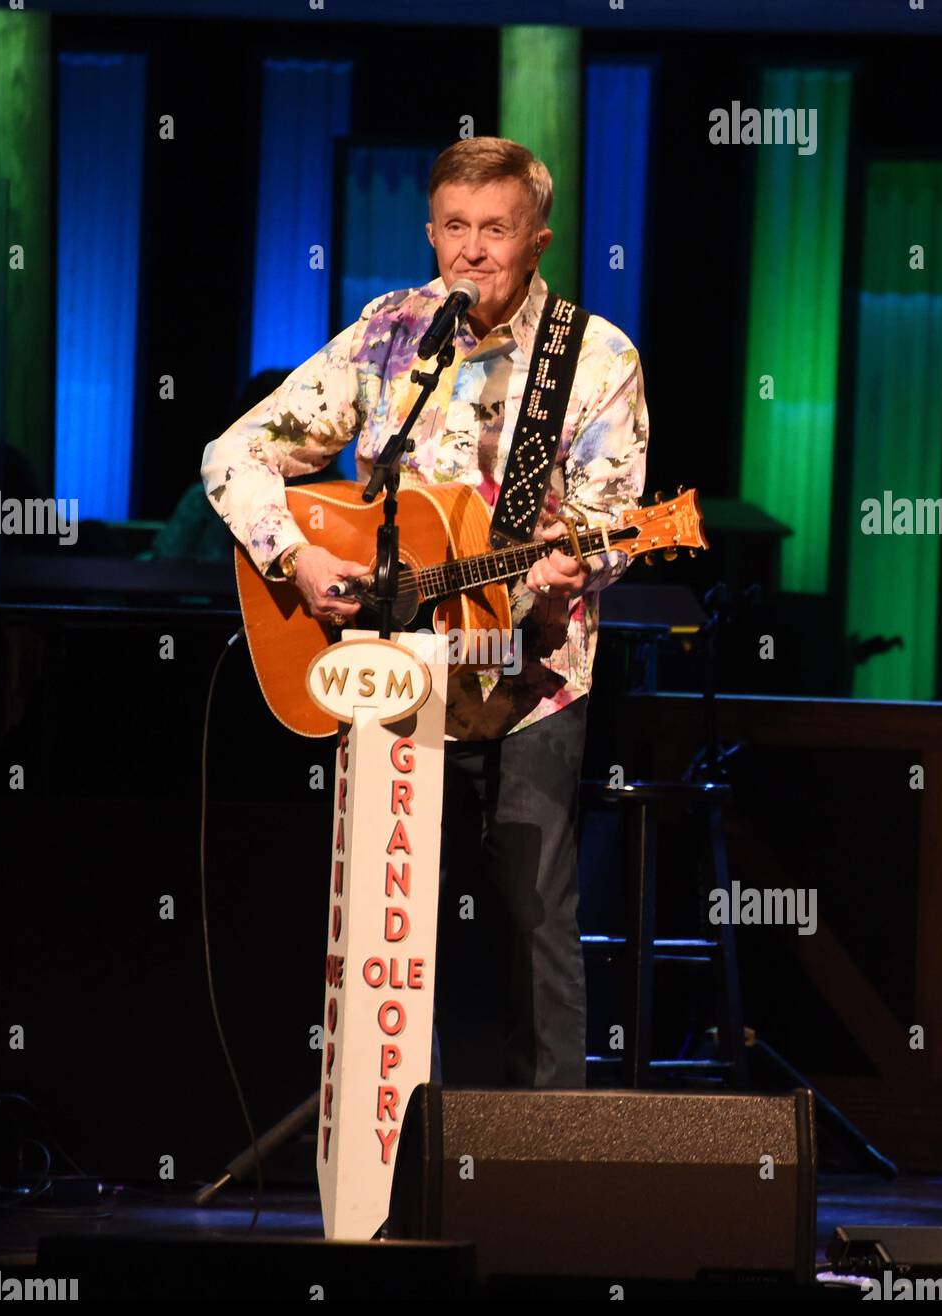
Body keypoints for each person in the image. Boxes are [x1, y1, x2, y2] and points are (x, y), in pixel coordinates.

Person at [201, 136, 648, 1089]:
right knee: (389, 917)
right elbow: (231, 456)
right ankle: (398, 1138)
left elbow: (612, 522)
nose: (472, 250)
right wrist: (298, 553)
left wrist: (580, 563)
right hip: (392, 680)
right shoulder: (389, 334)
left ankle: (552, 1156)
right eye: (455, 227)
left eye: (496, 229)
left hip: (526, 679)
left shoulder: (596, 355)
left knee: (534, 921)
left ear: (539, 240)